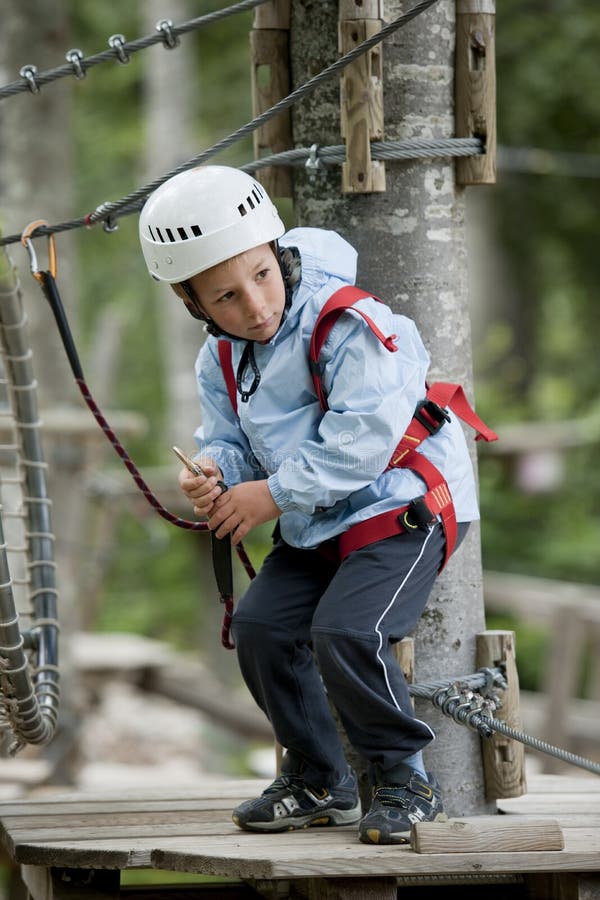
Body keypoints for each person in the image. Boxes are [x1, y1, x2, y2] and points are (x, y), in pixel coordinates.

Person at [138, 165, 480, 845]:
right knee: (261, 627)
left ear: (278, 250)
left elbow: (365, 440)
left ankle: (406, 779)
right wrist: (217, 473)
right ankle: (320, 777)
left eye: (262, 276)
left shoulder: (344, 322)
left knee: (349, 632)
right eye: (226, 296)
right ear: (190, 300)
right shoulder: (220, 359)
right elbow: (232, 441)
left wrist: (268, 495)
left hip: (402, 506)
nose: (255, 306)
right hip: (316, 518)